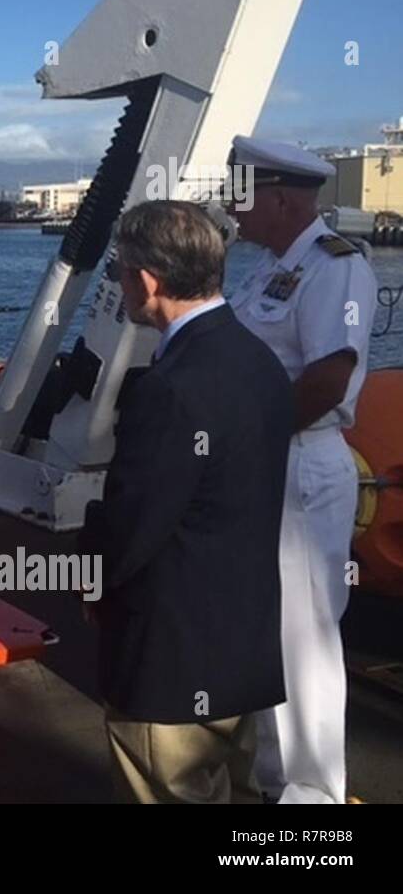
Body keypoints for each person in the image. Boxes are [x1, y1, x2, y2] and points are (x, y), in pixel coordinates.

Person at [78, 200, 292, 804]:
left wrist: (92, 579)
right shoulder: (261, 363)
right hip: (238, 642)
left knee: (164, 788)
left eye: (122, 273)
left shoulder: (169, 388)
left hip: (171, 655)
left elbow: (134, 523)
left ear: (150, 281)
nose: (122, 287)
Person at [228, 136, 378, 805]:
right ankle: (273, 785)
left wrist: (248, 433)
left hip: (298, 465)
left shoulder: (334, 267)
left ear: (282, 199)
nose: (233, 211)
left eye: (242, 195)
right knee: (267, 626)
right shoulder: (267, 267)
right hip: (265, 464)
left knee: (305, 636)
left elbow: (328, 375)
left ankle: (310, 800)